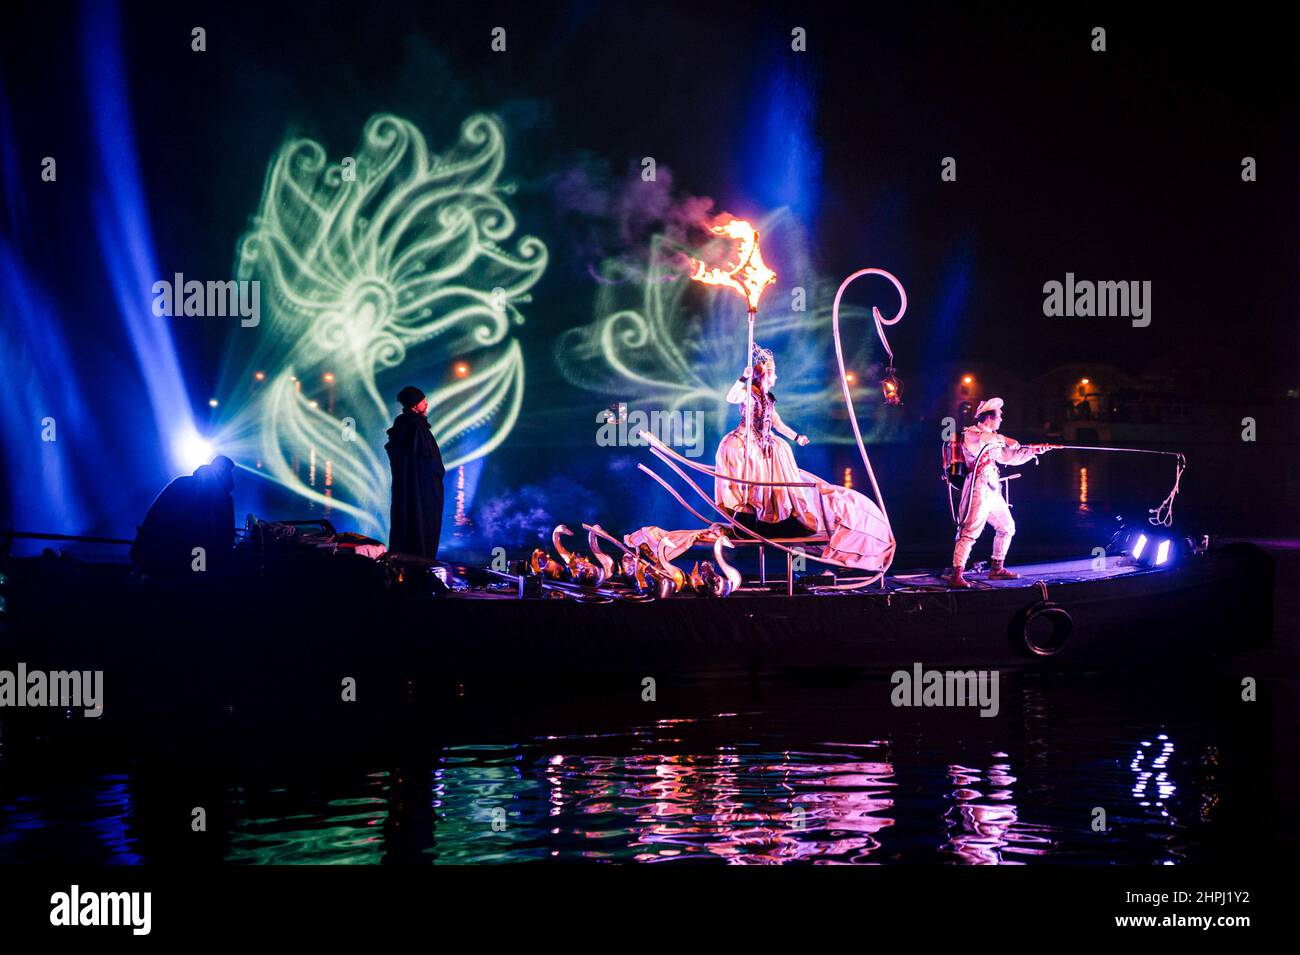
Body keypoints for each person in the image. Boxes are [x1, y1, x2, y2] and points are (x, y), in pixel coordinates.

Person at [950, 397, 1057, 588]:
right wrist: (1006, 439)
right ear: (989, 418)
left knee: (1007, 527)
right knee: (969, 532)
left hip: (992, 490)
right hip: (977, 489)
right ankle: (956, 575)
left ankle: (997, 568)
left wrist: (1032, 451)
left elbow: (1009, 457)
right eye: (999, 416)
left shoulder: (993, 437)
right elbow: (985, 441)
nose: (1001, 419)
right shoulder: (972, 434)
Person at [715, 344, 819, 534]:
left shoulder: (769, 398)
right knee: (749, 465)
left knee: (782, 450)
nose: (777, 377)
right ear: (766, 375)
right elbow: (731, 397)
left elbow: (777, 424)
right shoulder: (749, 394)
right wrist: (743, 378)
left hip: (765, 442)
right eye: (774, 374)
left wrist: (797, 437)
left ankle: (773, 516)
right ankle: (746, 510)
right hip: (746, 439)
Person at [131, 455, 236, 578]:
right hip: (180, 564)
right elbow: (206, 538)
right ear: (226, 473)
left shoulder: (182, 483)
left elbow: (156, 520)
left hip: (157, 558)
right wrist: (200, 570)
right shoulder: (220, 498)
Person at [385, 385, 445, 560]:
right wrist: (435, 474)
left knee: (406, 525)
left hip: (408, 491)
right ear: (414, 406)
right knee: (421, 527)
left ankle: (404, 564)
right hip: (421, 492)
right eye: (422, 401)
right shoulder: (415, 428)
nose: (426, 404)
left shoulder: (406, 426)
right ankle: (420, 565)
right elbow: (423, 463)